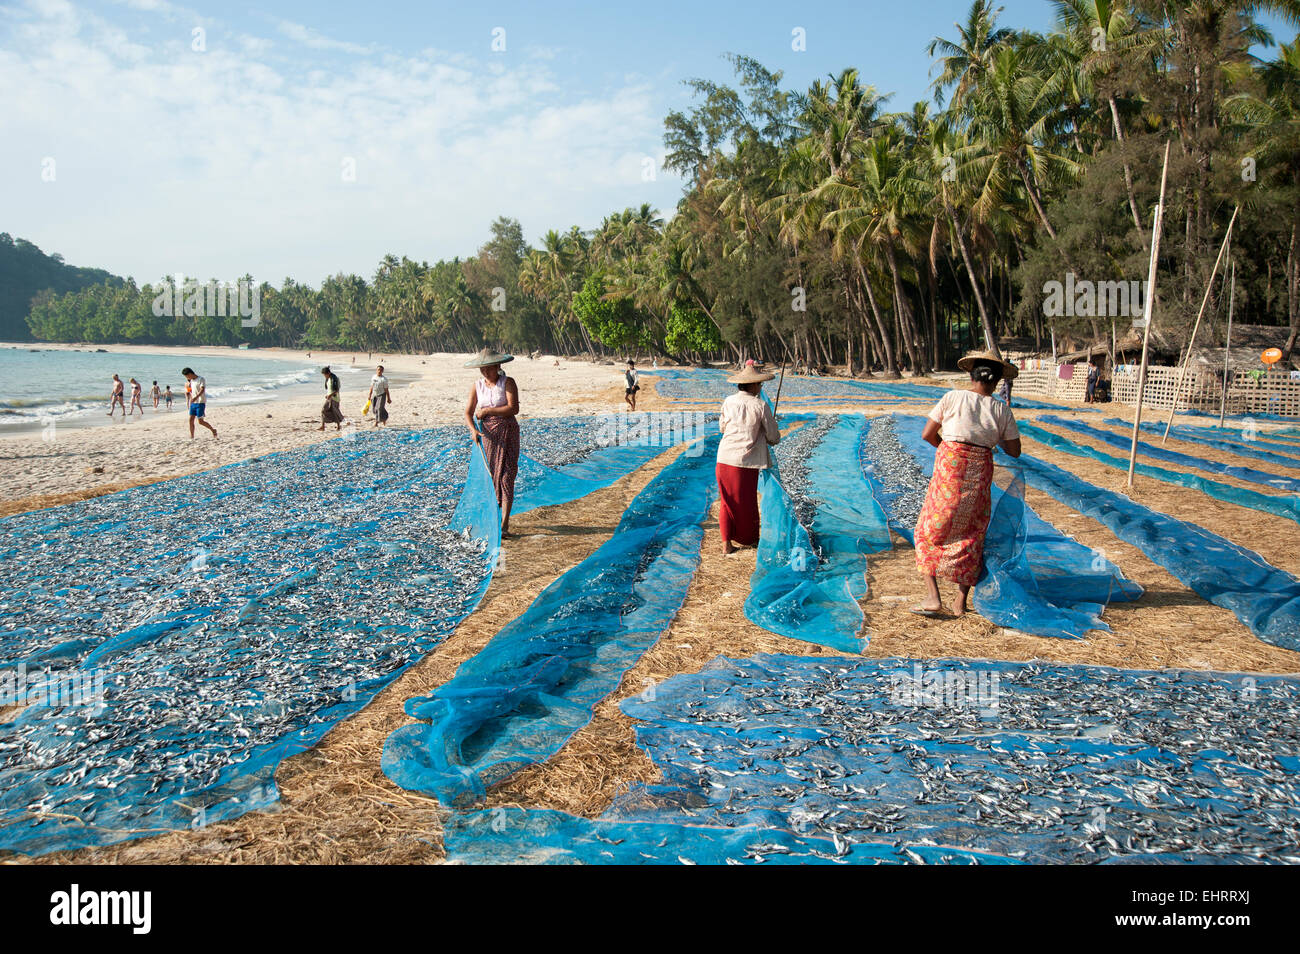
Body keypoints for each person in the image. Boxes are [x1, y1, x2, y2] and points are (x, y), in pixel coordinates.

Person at [912, 350, 1022, 618]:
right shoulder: (1001, 409)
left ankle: (933, 597)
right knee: (972, 534)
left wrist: (948, 451)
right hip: (979, 471)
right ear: (996, 382)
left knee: (929, 529)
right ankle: (960, 602)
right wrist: (995, 425)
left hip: (949, 471)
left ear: (972, 377)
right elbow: (1014, 451)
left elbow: (927, 434)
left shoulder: (953, 397)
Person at [716, 365, 781, 555]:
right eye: (759, 384)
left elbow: (722, 428)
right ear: (752, 385)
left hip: (723, 459)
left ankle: (728, 543)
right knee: (747, 503)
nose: (760, 387)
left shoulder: (728, 401)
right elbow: (773, 436)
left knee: (727, 502)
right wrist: (771, 434)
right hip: (743, 464)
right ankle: (748, 540)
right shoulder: (760, 405)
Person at [464, 348, 520, 537]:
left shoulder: (508, 382)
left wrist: (488, 411)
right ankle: (494, 519)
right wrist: (473, 430)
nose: (486, 372)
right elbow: (468, 412)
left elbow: (513, 408)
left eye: (489, 368)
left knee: (507, 476)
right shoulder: (477, 386)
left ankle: (504, 524)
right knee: (492, 475)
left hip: (508, 432)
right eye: (483, 369)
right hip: (488, 435)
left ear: (498, 366)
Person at [181, 367, 217, 439]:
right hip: (193, 403)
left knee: (200, 421)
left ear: (190, 374)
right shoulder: (191, 381)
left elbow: (202, 390)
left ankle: (213, 430)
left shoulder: (201, 379)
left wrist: (195, 397)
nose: (186, 378)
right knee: (190, 420)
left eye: (186, 376)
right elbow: (190, 390)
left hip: (200, 402)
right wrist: (189, 396)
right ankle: (192, 436)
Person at [319, 366, 343, 431]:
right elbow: (329, 389)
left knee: (335, 412)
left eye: (325, 374)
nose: (324, 376)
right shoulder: (328, 379)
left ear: (328, 373)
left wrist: (330, 395)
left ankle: (338, 426)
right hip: (329, 398)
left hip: (335, 398)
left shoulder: (335, 379)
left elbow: (337, 390)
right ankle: (323, 426)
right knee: (323, 410)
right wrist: (327, 395)